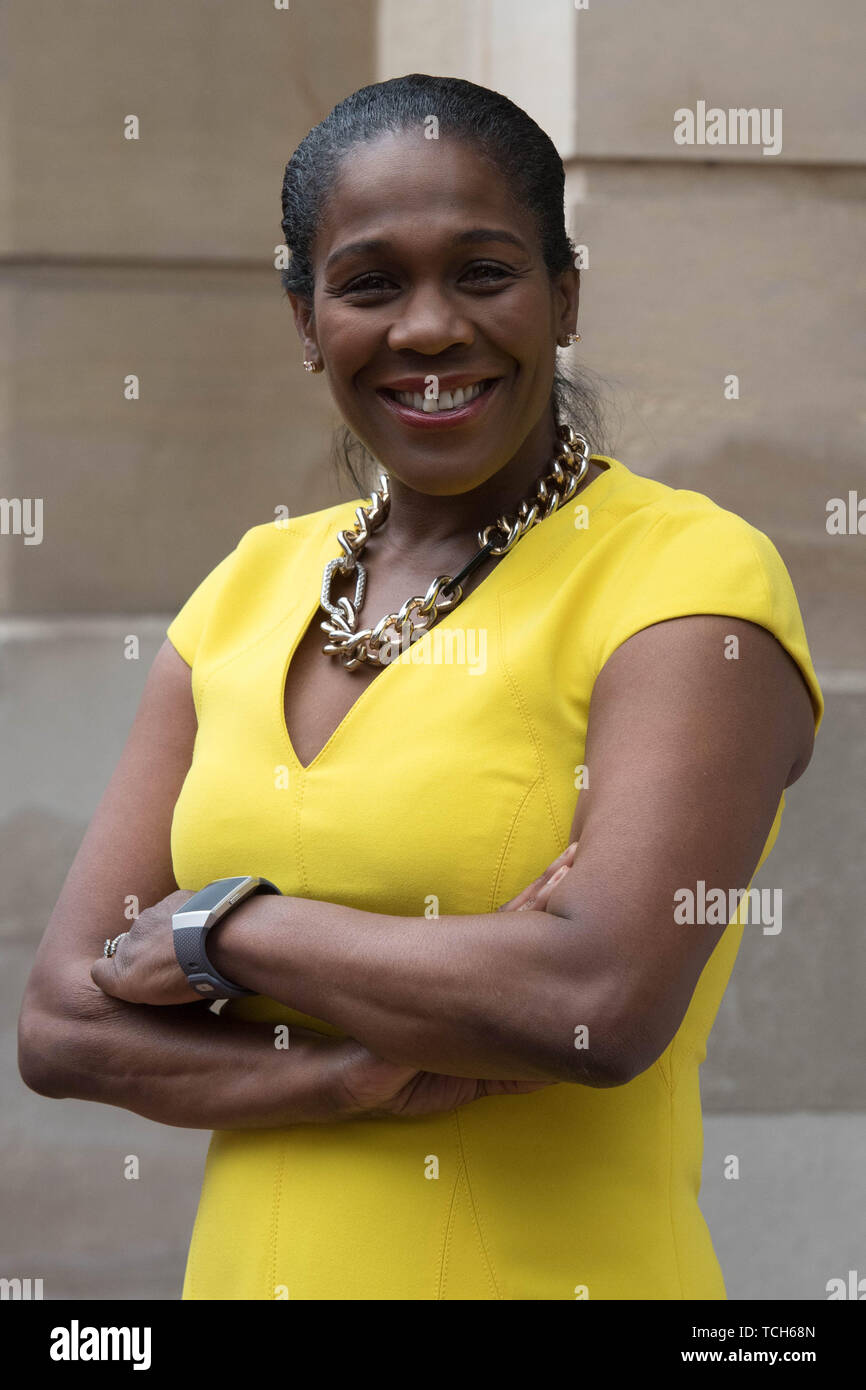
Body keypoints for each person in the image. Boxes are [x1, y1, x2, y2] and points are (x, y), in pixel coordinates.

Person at [18, 74, 823, 1301]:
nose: (430, 327)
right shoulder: (246, 585)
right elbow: (63, 1031)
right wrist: (351, 1075)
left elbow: (592, 1002)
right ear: (305, 318)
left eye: (484, 272)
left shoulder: (685, 578)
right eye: (370, 282)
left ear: (563, 295)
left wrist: (219, 931)